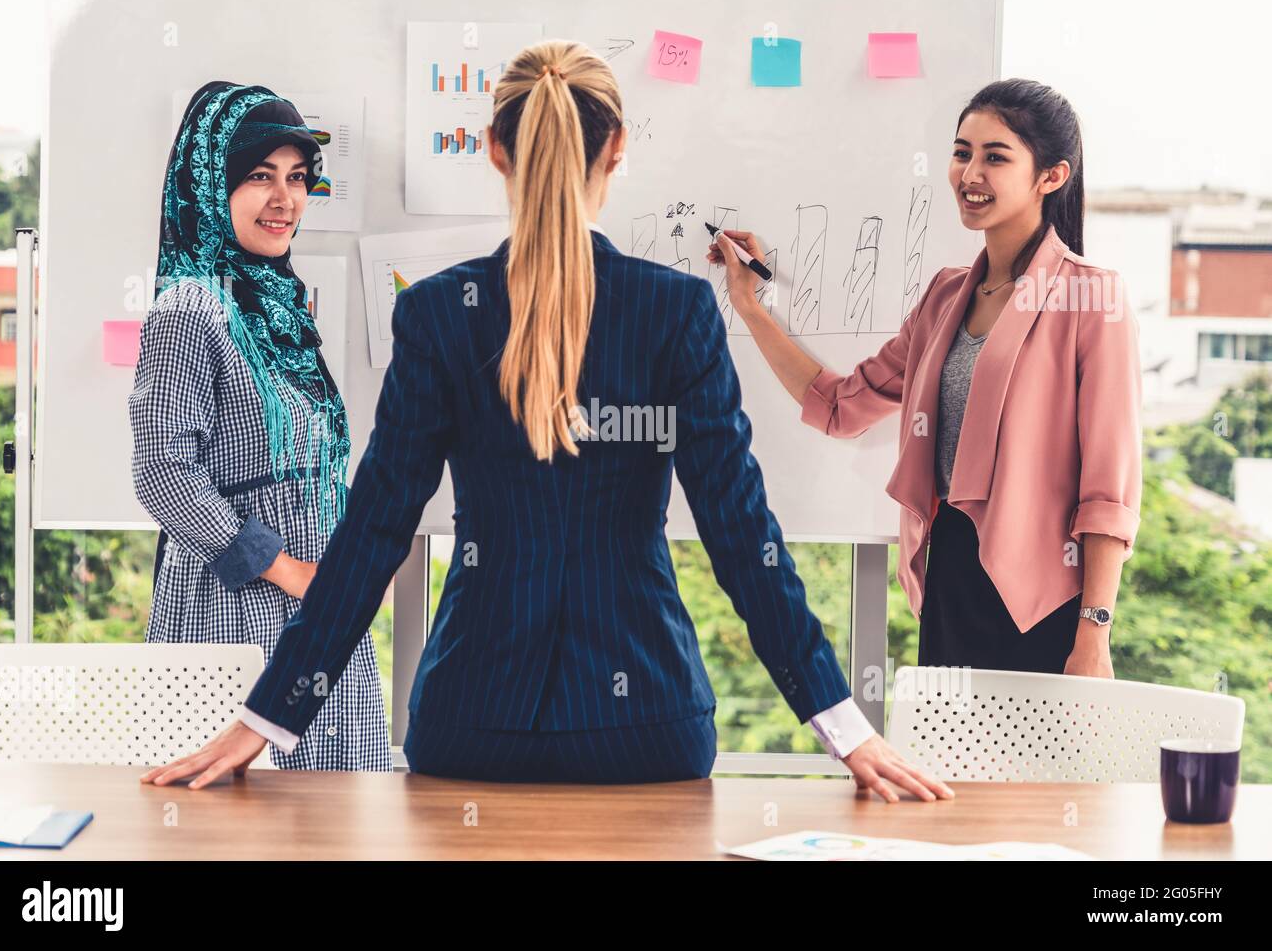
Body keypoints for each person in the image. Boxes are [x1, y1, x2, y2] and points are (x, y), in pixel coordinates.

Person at [141, 43, 951, 802]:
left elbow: (373, 533)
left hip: (472, 723)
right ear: (618, 148)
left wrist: (265, 718)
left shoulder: (436, 314)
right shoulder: (675, 311)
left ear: (494, 148)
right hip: (645, 728)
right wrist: (843, 726)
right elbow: (742, 534)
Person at [709, 79, 1142, 676]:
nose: (970, 173)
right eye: (962, 152)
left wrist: (1094, 632)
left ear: (1052, 177)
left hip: (1047, 604)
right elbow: (840, 405)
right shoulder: (944, 297)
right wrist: (751, 307)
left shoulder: (1093, 297)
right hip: (950, 582)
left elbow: (1109, 491)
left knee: (1041, 774)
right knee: (948, 771)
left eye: (996, 157)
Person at [129, 81, 391, 771]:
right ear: (211, 183)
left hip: (316, 609)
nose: (285, 199)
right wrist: (287, 568)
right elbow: (162, 473)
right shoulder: (190, 308)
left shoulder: (281, 306)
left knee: (332, 829)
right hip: (235, 606)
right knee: (233, 831)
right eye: (259, 176)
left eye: (298, 178)